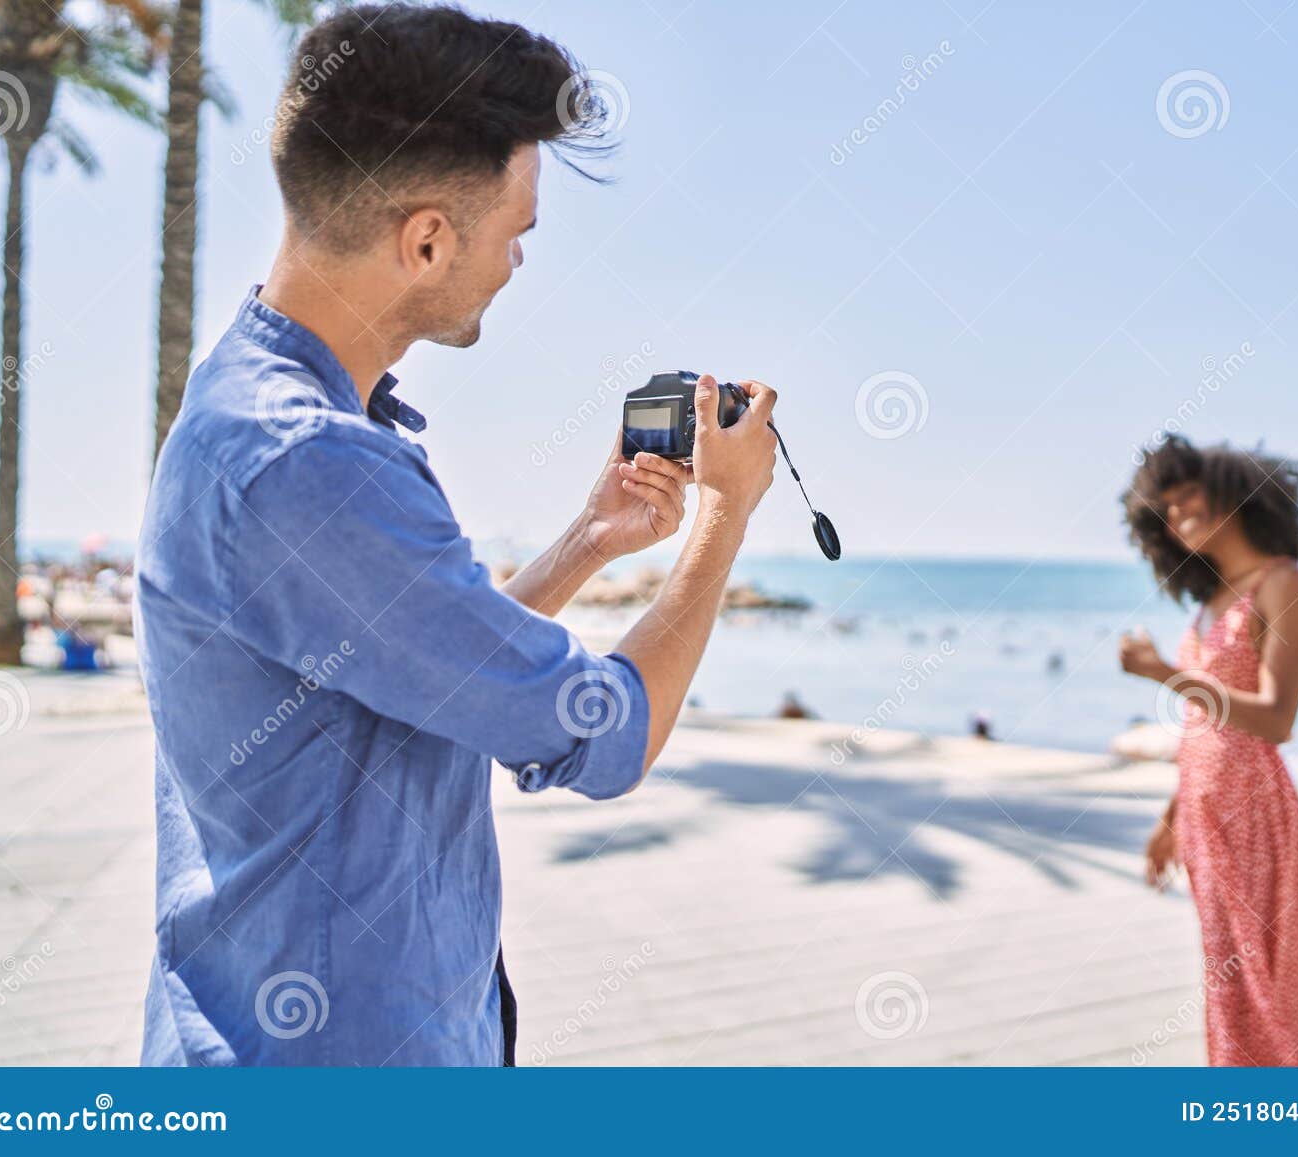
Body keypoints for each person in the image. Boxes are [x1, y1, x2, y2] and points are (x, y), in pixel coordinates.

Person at [135, 5, 778, 1067]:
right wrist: (724, 514)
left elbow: (418, 674)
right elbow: (605, 736)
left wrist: (587, 540)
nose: (520, 260)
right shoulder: (311, 463)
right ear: (427, 239)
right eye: (517, 230)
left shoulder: (256, 404)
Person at [1117, 435, 1298, 1067]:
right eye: (1166, 509)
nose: (1177, 515)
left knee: (1265, 988)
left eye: (1188, 497)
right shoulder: (1211, 599)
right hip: (1206, 818)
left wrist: (1163, 674)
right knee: (1228, 987)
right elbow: (1202, 730)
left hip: (1254, 815)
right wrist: (1173, 815)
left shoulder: (1283, 584)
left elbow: (1276, 719)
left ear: (1234, 494)